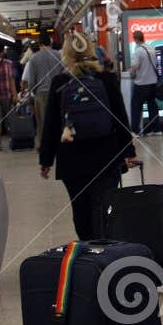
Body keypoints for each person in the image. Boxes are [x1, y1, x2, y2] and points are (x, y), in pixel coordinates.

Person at [39, 31, 137, 239]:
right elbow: (120, 119)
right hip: (106, 156)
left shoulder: (59, 82)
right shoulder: (107, 79)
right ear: (92, 51)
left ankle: (88, 250)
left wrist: (46, 159)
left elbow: (51, 124)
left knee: (80, 209)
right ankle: (106, 248)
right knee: (103, 206)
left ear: (66, 54)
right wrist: (128, 151)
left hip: (72, 160)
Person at [21, 33, 64, 143]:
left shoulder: (34, 58)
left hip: (41, 94)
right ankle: (59, 141)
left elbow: (31, 81)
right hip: (58, 92)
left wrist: (33, 93)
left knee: (42, 122)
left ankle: (44, 144)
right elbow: (64, 74)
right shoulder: (59, 56)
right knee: (58, 119)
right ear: (51, 42)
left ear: (40, 43)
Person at [127, 29, 162, 135]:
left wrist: (131, 73)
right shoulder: (151, 48)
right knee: (152, 106)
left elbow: (134, 67)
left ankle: (135, 131)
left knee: (136, 107)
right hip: (153, 83)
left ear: (136, 39)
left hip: (141, 84)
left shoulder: (138, 51)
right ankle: (156, 129)